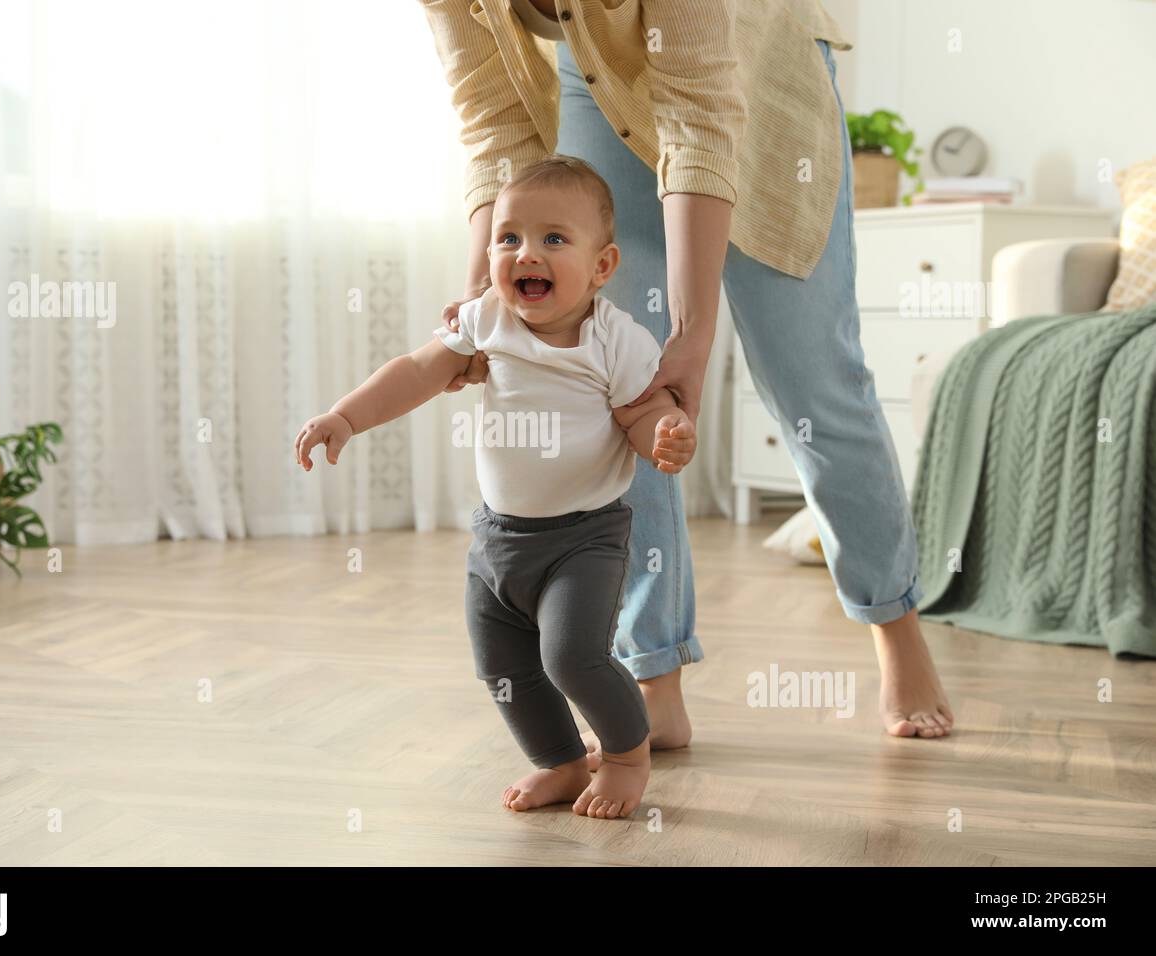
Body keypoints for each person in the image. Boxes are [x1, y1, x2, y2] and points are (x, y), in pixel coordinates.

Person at [420, 0, 955, 740]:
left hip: (753, 75)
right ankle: (655, 676)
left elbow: (699, 117)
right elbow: (495, 124)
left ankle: (894, 624)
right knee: (618, 389)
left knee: (814, 384)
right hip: (585, 82)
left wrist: (694, 332)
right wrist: (484, 300)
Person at [295, 155, 698, 817]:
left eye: (553, 239)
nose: (525, 253)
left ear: (602, 267)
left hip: (584, 538)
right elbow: (418, 371)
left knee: (572, 657)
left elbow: (639, 412)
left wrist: (665, 432)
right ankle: (562, 763)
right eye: (508, 237)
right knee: (504, 668)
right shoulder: (485, 318)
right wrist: (346, 416)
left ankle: (626, 754)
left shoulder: (614, 341)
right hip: (497, 539)